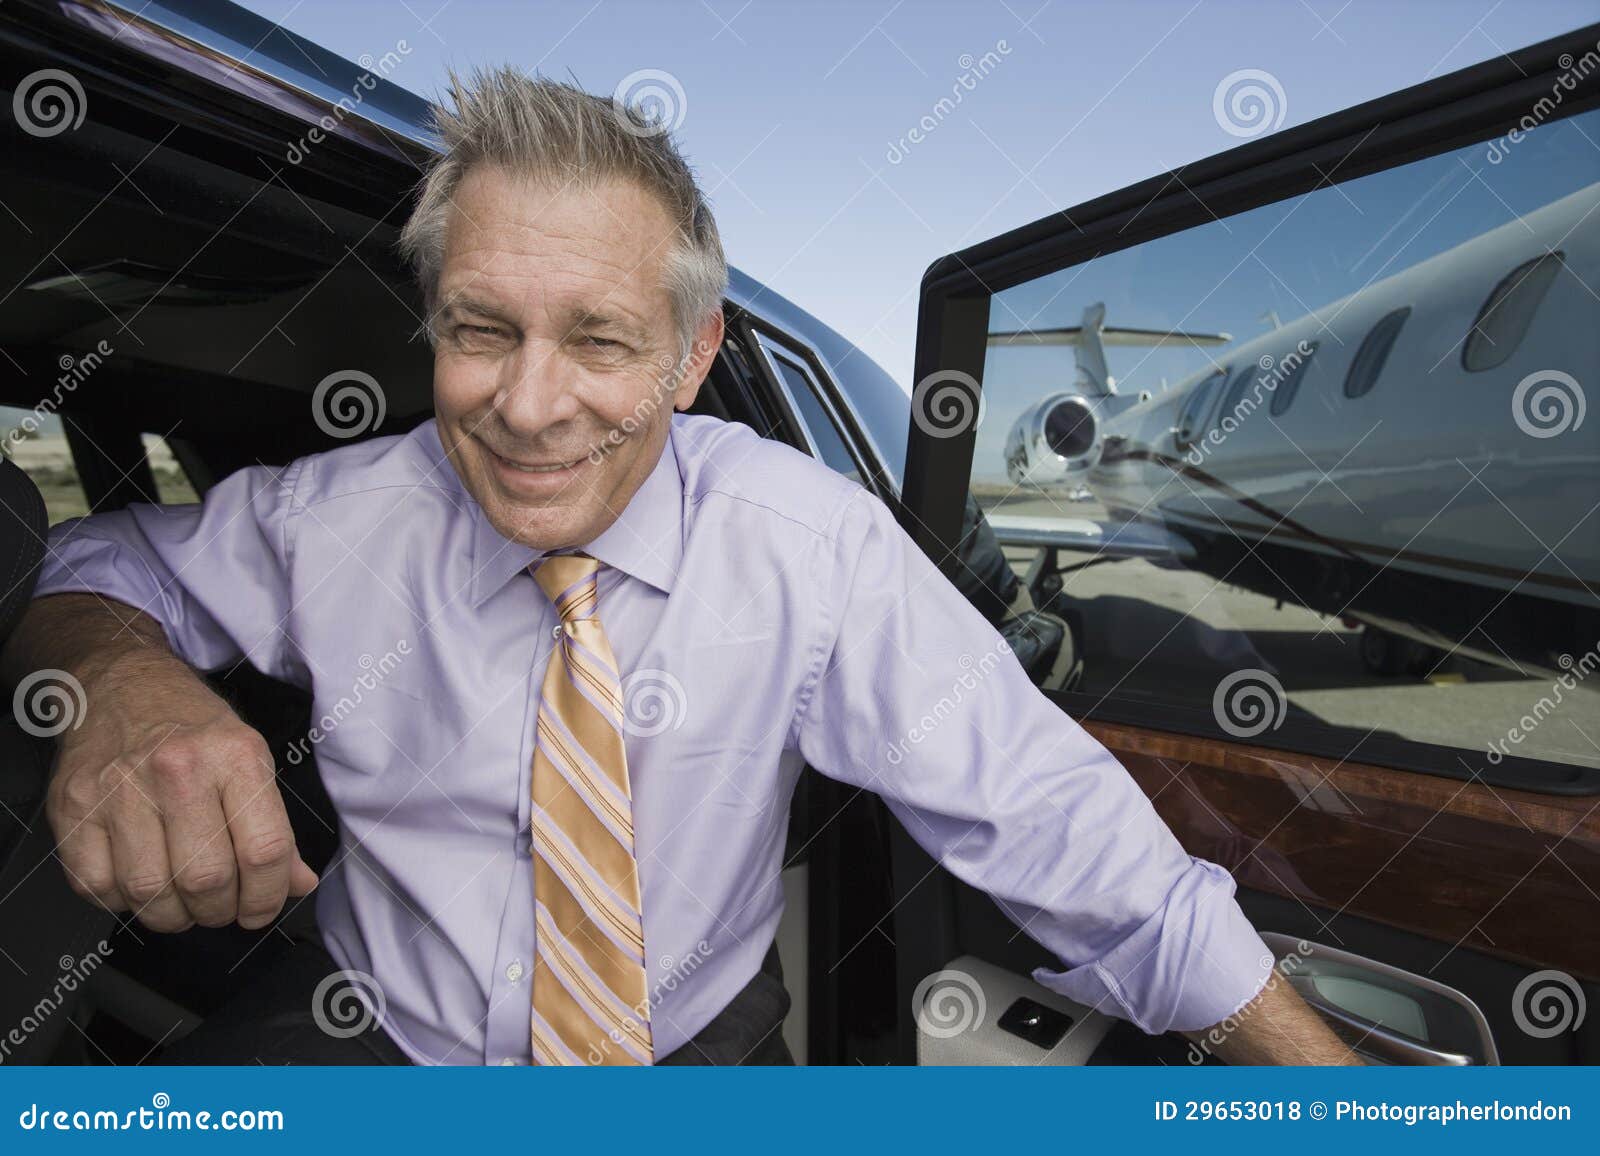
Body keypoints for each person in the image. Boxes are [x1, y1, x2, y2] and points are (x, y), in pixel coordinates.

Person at [0, 70, 1356, 1066]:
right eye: (484, 330)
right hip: (362, 1031)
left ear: (691, 360)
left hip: (701, 1055)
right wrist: (119, 677)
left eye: (598, 341)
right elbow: (98, 561)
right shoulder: (330, 515)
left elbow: (1052, 817)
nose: (530, 409)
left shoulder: (808, 541)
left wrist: (1325, 1086)